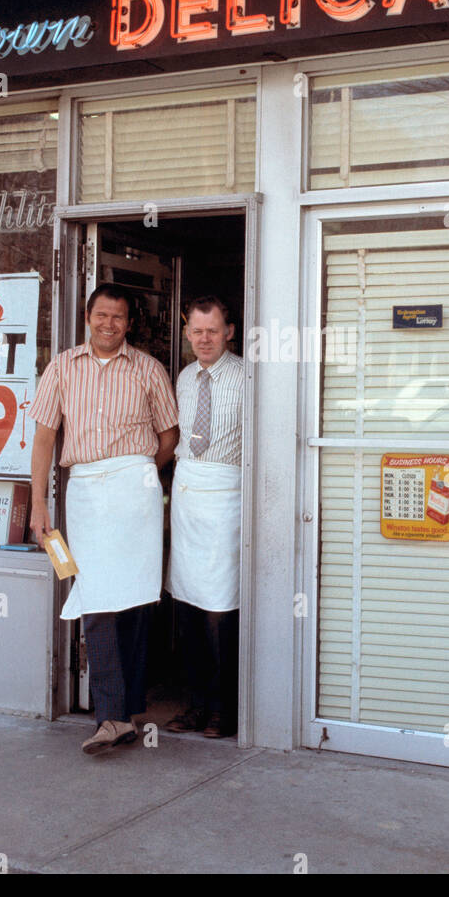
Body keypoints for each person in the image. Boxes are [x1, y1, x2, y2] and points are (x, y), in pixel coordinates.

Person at [28, 283, 178, 756]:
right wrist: (39, 503)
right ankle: (111, 715)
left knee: (134, 598)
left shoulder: (149, 369)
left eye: (118, 317)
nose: (109, 324)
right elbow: (44, 440)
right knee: (94, 594)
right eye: (101, 316)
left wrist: (139, 475)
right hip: (86, 491)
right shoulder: (62, 367)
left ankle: (126, 710)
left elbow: (169, 435)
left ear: (129, 323)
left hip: (135, 491)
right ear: (86, 316)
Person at [165, 295, 245, 739]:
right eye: (196, 331)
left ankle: (223, 710)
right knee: (188, 606)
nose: (204, 339)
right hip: (189, 495)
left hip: (228, 497)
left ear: (228, 331)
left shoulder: (249, 377)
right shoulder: (183, 376)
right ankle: (193, 706)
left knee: (221, 610)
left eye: (212, 330)